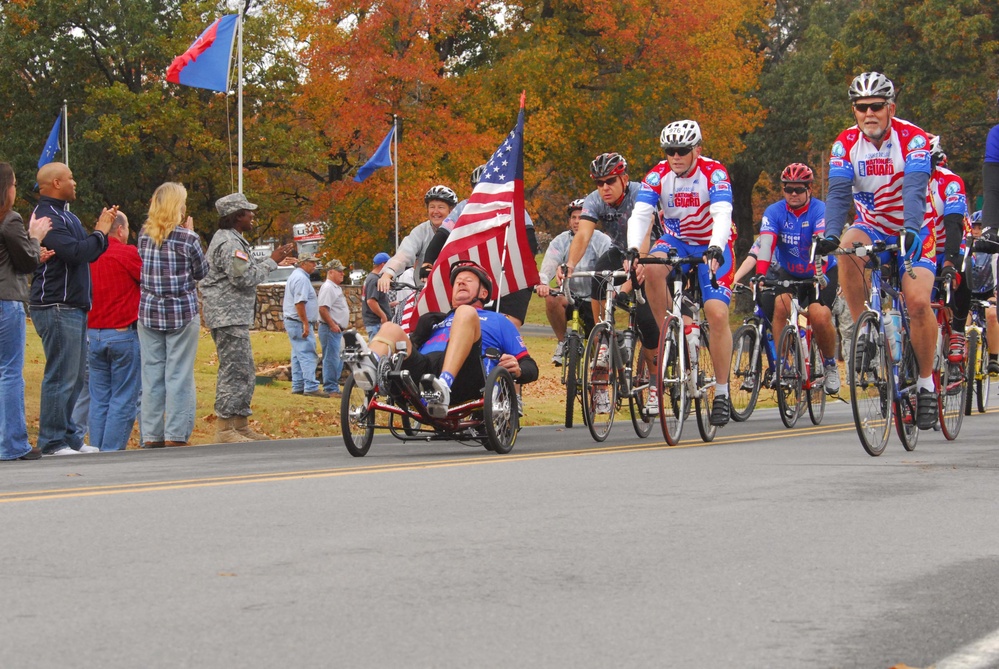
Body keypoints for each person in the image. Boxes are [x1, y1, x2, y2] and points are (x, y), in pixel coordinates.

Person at [814, 72, 939, 429]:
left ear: (890, 108)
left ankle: (927, 384)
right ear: (854, 110)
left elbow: (915, 187)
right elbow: (838, 195)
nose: (869, 113)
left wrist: (912, 228)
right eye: (861, 107)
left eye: (876, 106)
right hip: (873, 223)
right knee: (846, 247)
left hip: (915, 226)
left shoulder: (912, 138)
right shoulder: (844, 145)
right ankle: (865, 327)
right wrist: (831, 234)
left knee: (916, 303)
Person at [626, 120, 736, 425]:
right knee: (651, 266)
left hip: (711, 242)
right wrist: (634, 248)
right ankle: (666, 333)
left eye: (682, 150)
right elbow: (641, 214)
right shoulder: (657, 174)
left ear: (697, 150)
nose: (675, 156)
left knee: (716, 313)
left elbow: (722, 212)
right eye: (670, 150)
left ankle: (723, 392)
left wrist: (715, 246)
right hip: (676, 240)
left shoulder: (714, 173)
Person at [349, 260, 538, 417]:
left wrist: (519, 369)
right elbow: (410, 346)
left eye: (468, 280)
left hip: (468, 374)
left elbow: (531, 366)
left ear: (483, 293)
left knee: (465, 313)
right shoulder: (436, 320)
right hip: (425, 372)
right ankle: (369, 369)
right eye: (457, 282)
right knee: (390, 327)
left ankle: (443, 386)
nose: (461, 283)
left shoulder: (499, 320)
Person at [30, 162, 115, 455]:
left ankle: (68, 437)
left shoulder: (67, 216)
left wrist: (99, 236)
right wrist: (101, 231)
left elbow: (89, 252)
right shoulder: (46, 217)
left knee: (76, 375)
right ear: (56, 183)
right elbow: (76, 253)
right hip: (56, 303)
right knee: (61, 374)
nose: (75, 182)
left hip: (73, 305)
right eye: (70, 178)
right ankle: (52, 442)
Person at [201, 192, 295, 443]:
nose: (253, 215)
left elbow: (246, 269)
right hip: (227, 315)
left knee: (243, 369)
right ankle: (224, 429)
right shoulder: (229, 243)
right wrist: (272, 263)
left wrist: (269, 259)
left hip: (232, 315)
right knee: (234, 370)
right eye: (248, 212)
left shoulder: (234, 240)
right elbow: (244, 278)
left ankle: (240, 425)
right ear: (236, 216)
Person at [565, 153, 660, 378]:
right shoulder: (594, 200)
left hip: (651, 250)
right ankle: (603, 339)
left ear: (624, 179)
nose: (604, 187)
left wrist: (638, 263)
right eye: (599, 183)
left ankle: (656, 383)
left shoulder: (640, 193)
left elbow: (646, 232)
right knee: (598, 277)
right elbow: (583, 235)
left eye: (610, 181)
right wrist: (569, 265)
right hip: (620, 250)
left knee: (647, 321)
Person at [754, 163, 841, 394]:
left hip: (819, 270)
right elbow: (766, 243)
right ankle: (783, 366)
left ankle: (831, 365)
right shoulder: (774, 212)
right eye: (788, 189)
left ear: (809, 189)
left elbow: (821, 240)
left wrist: (818, 266)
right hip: (790, 271)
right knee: (781, 306)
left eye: (799, 189)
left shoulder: (819, 210)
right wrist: (761, 272)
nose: (793, 194)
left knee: (819, 316)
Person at [137, 182, 209, 447]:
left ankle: (152, 435)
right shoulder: (188, 239)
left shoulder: (144, 236)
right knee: (178, 373)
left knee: (152, 374)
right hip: (180, 311)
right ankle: (175, 434)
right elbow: (202, 272)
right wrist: (191, 234)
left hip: (149, 311)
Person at [424, 166, 540, 327]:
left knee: (507, 323)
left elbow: (529, 238)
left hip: (505, 268)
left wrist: (524, 265)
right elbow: (442, 235)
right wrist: (427, 262)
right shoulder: (464, 207)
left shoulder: (513, 205)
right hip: (474, 268)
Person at [0, 162, 51, 461]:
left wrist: (32, 253)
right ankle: (13, 443)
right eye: (15, 184)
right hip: (6, 300)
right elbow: (28, 260)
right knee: (9, 372)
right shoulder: (10, 220)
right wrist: (36, 237)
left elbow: (18, 259)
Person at [87, 211, 141, 451]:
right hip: (122, 333)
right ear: (120, 229)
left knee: (99, 399)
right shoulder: (127, 253)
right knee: (124, 397)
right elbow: (147, 279)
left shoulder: (89, 253)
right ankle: (111, 451)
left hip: (92, 333)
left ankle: (98, 447)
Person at [536, 198, 609, 364]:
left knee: (599, 348)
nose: (577, 222)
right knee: (552, 298)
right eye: (573, 217)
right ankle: (563, 343)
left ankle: (599, 383)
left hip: (595, 299)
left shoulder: (602, 240)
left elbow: (611, 268)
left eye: (581, 217)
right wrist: (543, 283)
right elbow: (549, 262)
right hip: (570, 295)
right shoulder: (561, 241)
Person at [926, 136, 972, 376]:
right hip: (925, 246)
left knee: (961, 270)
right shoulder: (903, 182)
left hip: (950, 242)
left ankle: (957, 331)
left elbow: (954, 224)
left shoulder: (950, 181)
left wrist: (950, 263)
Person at [377, 185, 459, 292]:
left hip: (454, 292)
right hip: (425, 293)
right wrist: (388, 273)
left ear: (451, 210)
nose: (435, 211)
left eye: (441, 207)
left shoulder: (460, 230)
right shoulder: (421, 231)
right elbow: (404, 253)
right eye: (432, 207)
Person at [282, 252, 325, 397]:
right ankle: (311, 387)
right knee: (308, 354)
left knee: (297, 355)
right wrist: (305, 323)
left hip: (293, 321)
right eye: (311, 262)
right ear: (303, 263)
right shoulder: (301, 279)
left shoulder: (295, 276)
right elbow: (299, 303)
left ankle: (298, 385)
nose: (315, 265)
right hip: (298, 322)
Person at [968, 211, 999, 374]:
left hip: (989, 292)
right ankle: (963, 361)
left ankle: (993, 359)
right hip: (969, 292)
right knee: (962, 320)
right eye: (974, 227)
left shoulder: (994, 248)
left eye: (980, 227)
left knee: (992, 314)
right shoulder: (966, 248)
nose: (976, 231)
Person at [318, 258, 350, 395]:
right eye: (339, 271)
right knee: (331, 358)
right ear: (330, 272)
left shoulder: (334, 287)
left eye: (342, 271)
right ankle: (330, 388)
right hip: (330, 328)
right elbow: (323, 309)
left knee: (338, 358)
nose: (342, 274)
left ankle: (333, 386)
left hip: (336, 329)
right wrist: (332, 325)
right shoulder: (328, 287)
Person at [363, 252, 392, 338]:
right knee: (378, 350)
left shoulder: (371, 278)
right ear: (383, 264)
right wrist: (383, 316)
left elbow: (375, 300)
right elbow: (371, 301)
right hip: (376, 324)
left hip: (375, 323)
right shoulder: (374, 280)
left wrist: (388, 305)